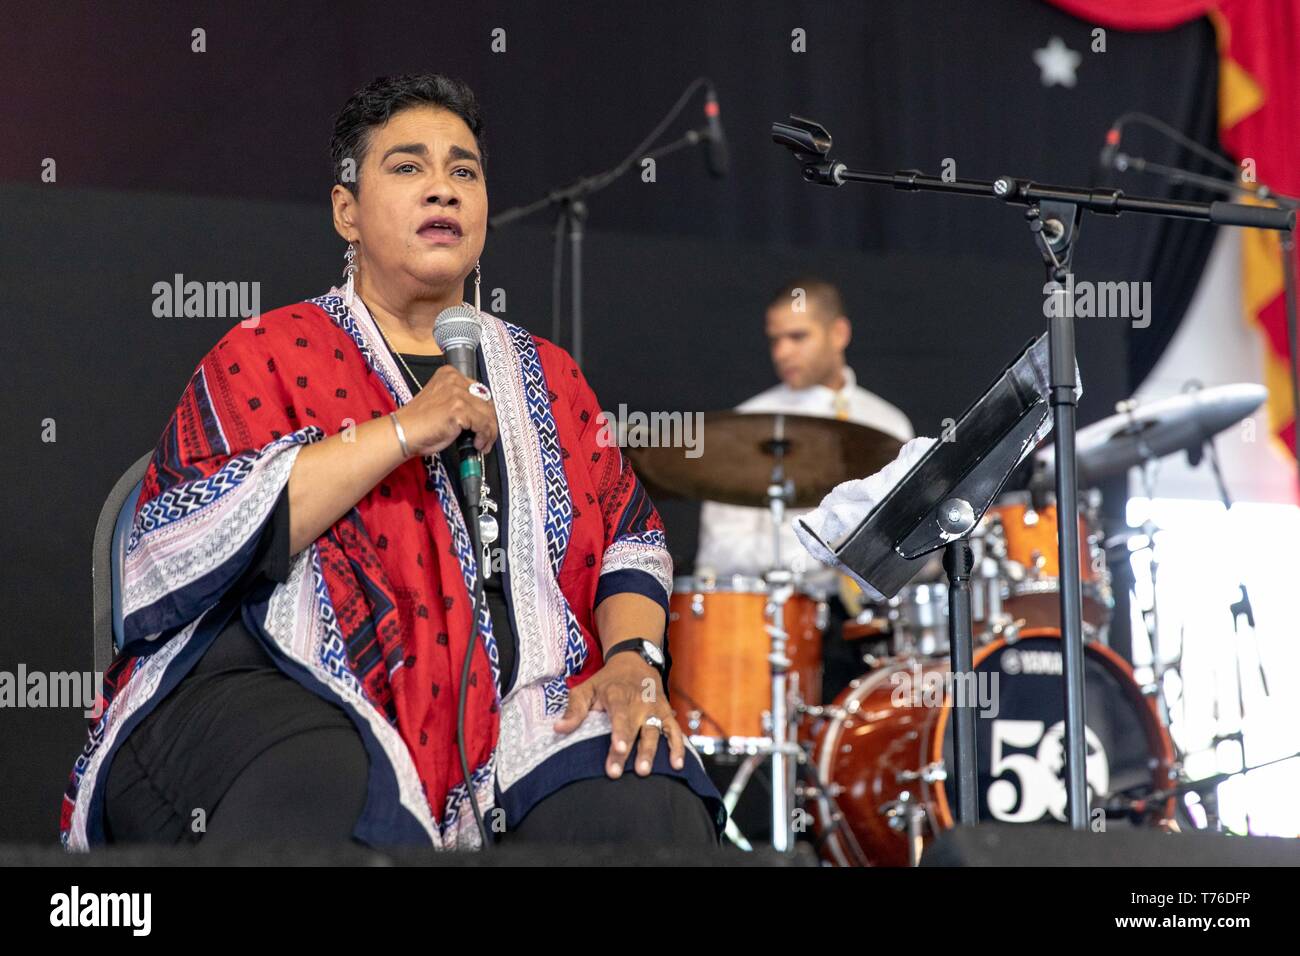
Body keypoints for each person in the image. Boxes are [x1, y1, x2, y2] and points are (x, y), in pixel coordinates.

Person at [61, 73, 725, 852]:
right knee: (335, 793)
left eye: (463, 171)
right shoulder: (267, 352)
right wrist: (404, 429)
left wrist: (632, 659)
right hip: (281, 683)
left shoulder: (549, 376)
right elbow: (183, 538)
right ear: (347, 211)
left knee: (647, 793)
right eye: (408, 167)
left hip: (520, 716)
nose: (442, 188)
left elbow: (629, 537)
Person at [694, 276, 914, 700]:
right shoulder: (747, 425)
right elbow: (719, 553)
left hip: (872, 629)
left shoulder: (888, 423)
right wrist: (818, 554)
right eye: (775, 340)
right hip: (777, 627)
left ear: (839, 333)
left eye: (797, 337)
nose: (782, 353)